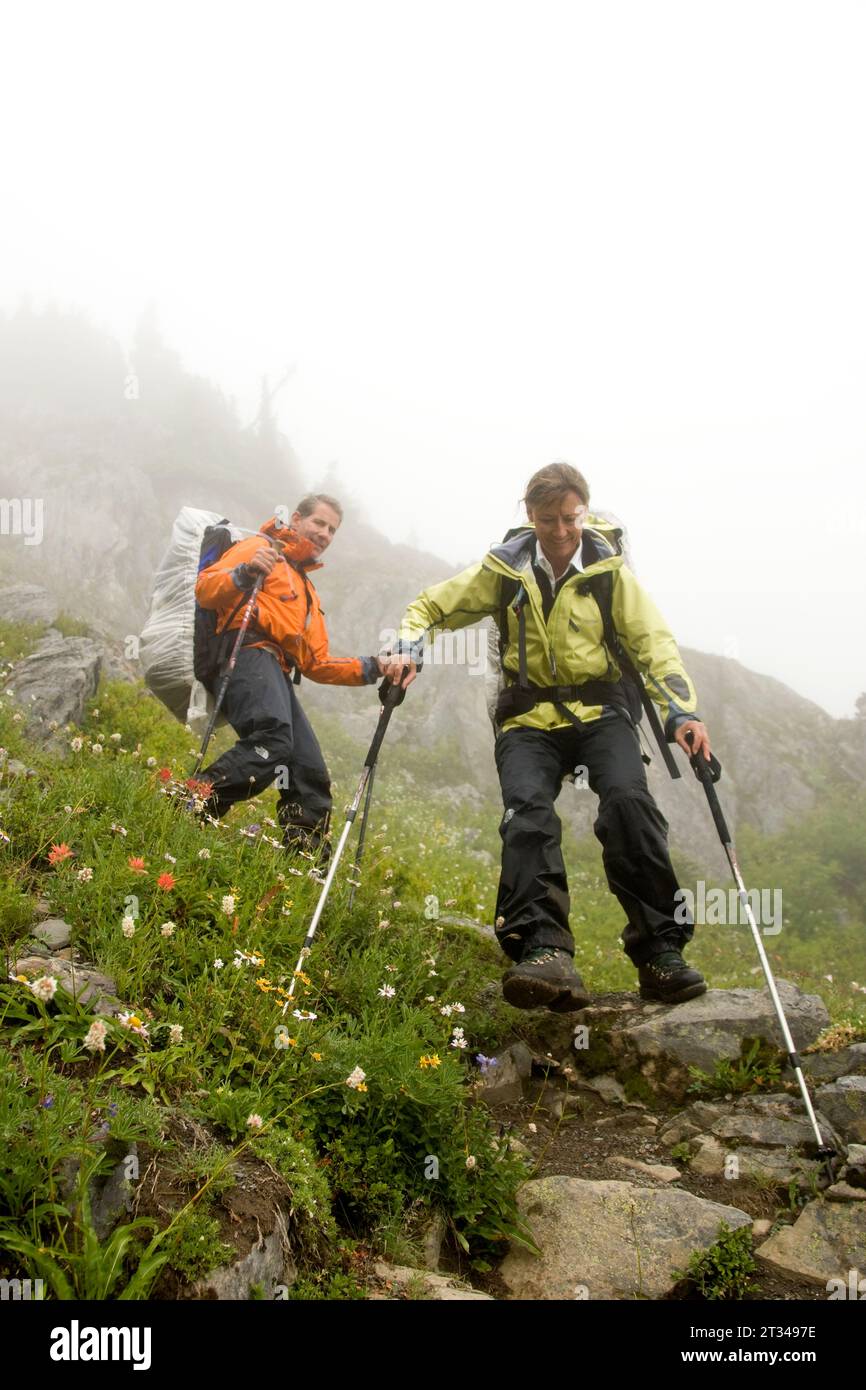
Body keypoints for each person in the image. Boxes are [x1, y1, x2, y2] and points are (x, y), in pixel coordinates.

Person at [382, 463, 713, 1009]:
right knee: (527, 811)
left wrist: (681, 713)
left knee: (630, 803)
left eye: (569, 517)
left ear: (583, 511)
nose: (560, 530)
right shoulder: (506, 570)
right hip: (527, 718)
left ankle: (660, 953)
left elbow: (655, 644)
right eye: (546, 519)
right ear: (528, 514)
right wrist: (408, 647)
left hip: (603, 711)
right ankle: (542, 949)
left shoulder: (609, 572)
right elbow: (431, 606)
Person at [194, 493, 384, 859]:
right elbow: (205, 589)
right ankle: (193, 800)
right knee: (273, 738)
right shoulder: (260, 547)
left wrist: (376, 666)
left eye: (332, 529)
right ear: (296, 519)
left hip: (276, 672)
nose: (325, 533)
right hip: (244, 654)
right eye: (319, 523)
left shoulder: (308, 592)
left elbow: (316, 664)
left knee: (308, 769)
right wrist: (244, 572)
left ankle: (304, 862)